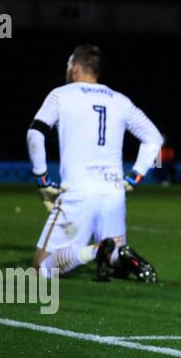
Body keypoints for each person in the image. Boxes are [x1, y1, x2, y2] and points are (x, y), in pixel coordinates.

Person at [26, 44, 162, 282]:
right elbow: (154, 139)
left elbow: (34, 134)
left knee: (41, 268)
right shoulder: (121, 101)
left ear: (76, 68)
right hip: (113, 193)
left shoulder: (61, 95)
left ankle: (96, 250)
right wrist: (134, 177)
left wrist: (42, 179)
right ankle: (120, 256)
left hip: (79, 192)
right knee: (114, 258)